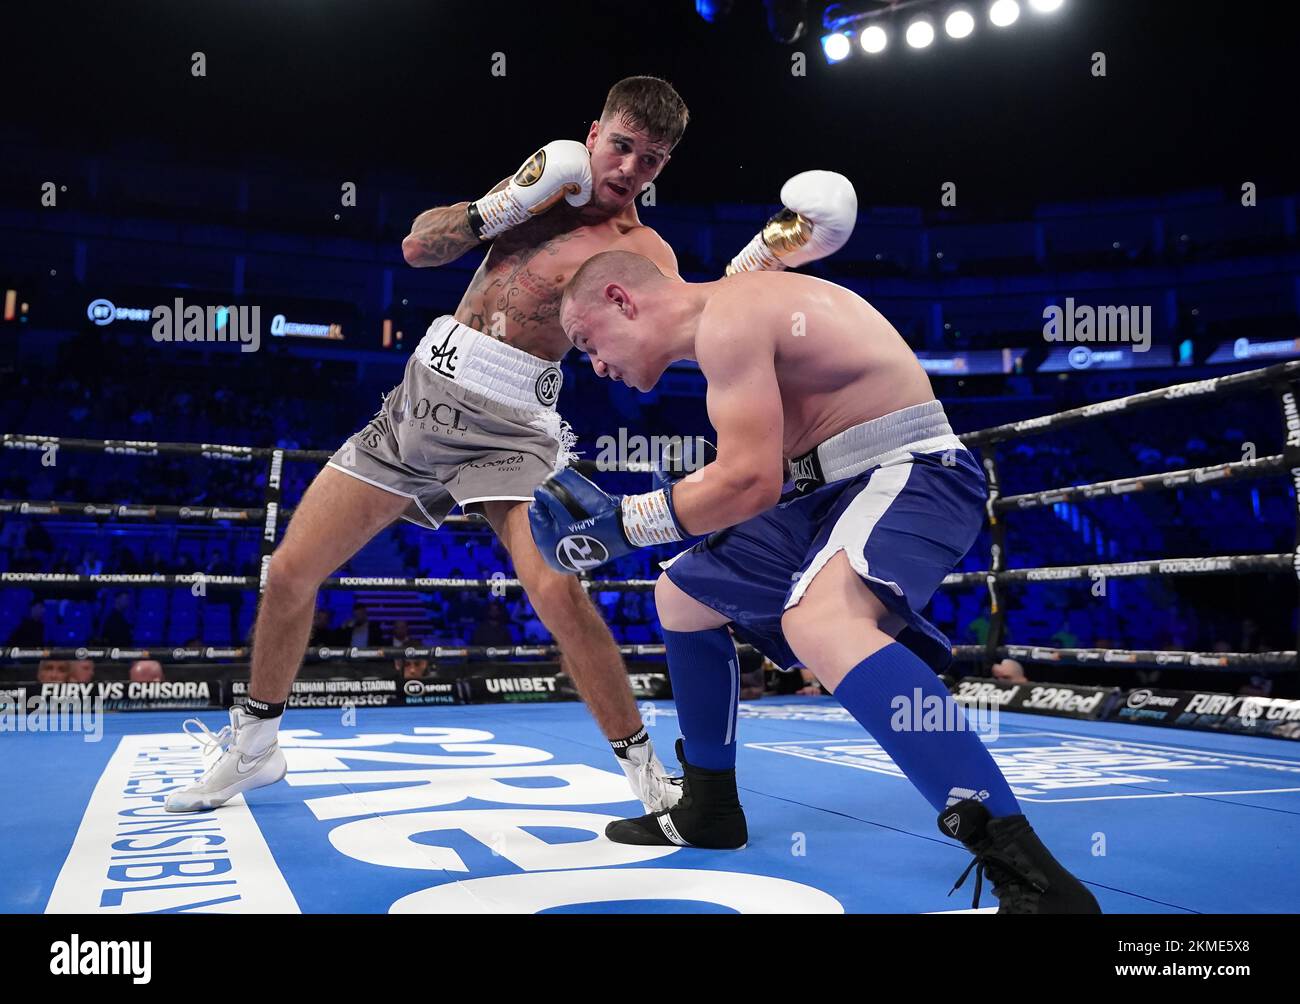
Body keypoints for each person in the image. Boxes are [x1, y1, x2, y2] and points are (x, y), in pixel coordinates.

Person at [166, 76, 691, 815]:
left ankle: (646, 773)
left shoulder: (644, 249)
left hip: (511, 429)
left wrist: (749, 280)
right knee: (288, 572)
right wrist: (497, 207)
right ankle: (255, 747)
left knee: (556, 591)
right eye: (624, 146)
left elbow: (665, 340)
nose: (631, 169)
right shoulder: (540, 186)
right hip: (419, 403)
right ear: (594, 131)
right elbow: (418, 247)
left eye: (654, 161)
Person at [528, 242, 1100, 913]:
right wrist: (673, 505)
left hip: (906, 468)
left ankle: (1034, 882)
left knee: (821, 621)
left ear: (621, 299)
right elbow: (754, 477)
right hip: (830, 490)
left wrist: (625, 525)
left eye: (586, 340)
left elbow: (749, 481)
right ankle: (709, 807)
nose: (594, 365)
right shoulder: (727, 326)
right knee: (681, 594)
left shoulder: (733, 314)